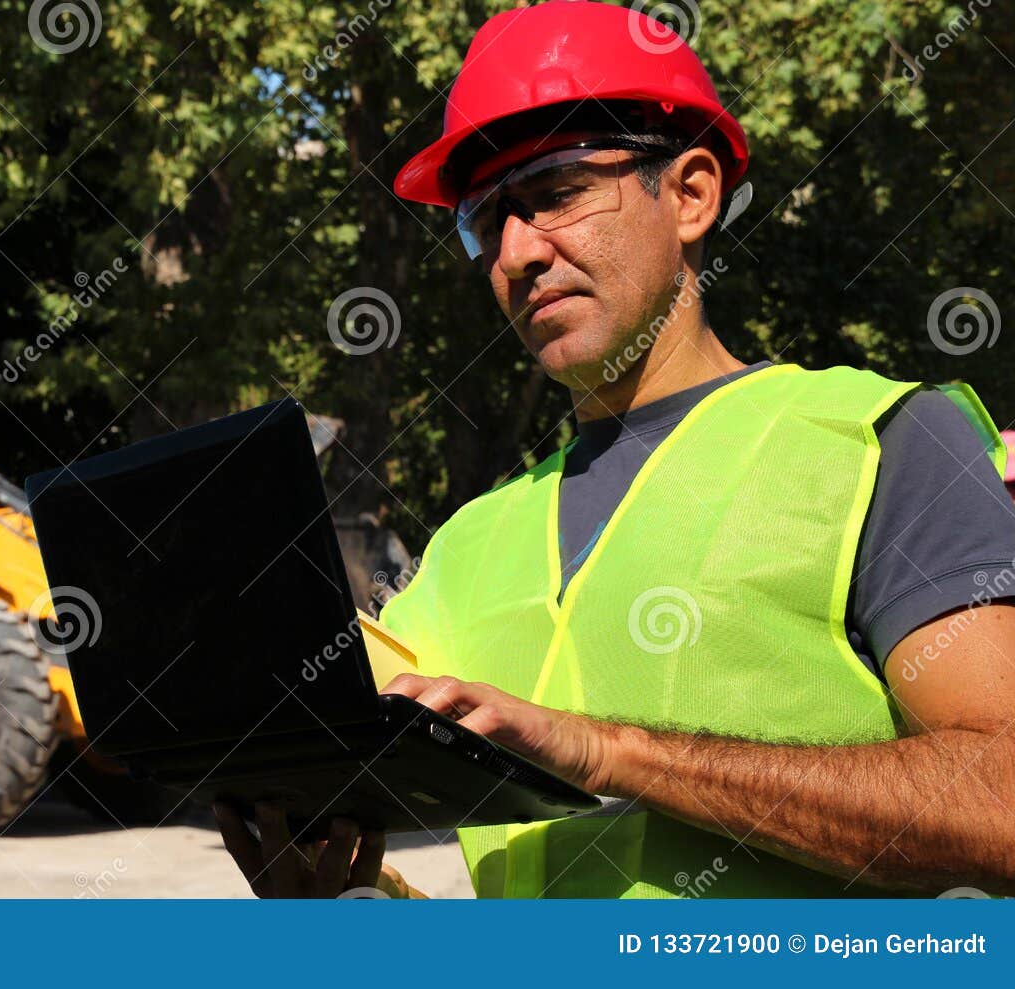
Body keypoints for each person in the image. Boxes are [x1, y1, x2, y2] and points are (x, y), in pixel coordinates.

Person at [217, 0, 1015, 899]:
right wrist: (344, 904)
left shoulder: (879, 442)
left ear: (691, 194)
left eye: (556, 192)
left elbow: (1002, 801)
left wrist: (608, 750)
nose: (517, 250)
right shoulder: (468, 546)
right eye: (487, 218)